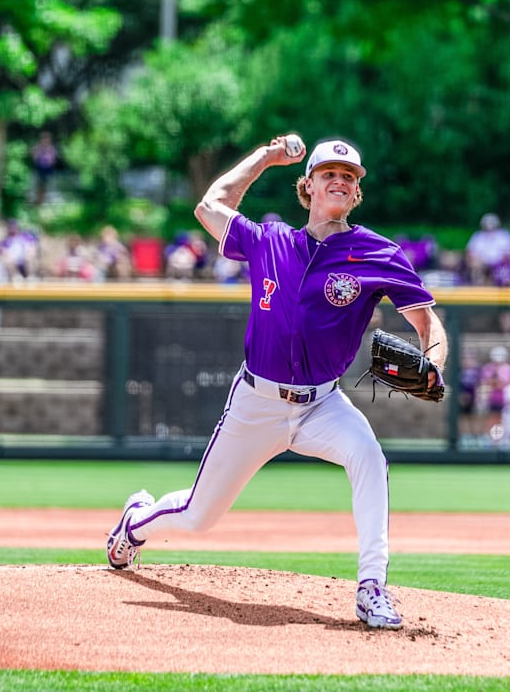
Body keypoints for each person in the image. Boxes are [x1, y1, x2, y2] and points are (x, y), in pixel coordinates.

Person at [104, 135, 447, 632]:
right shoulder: (270, 241)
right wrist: (265, 157)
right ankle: (135, 524)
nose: (340, 181)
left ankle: (372, 587)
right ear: (307, 186)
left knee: (369, 455)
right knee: (199, 516)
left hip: (322, 405)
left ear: (356, 195)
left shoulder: (378, 254)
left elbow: (427, 322)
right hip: (256, 404)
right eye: (328, 173)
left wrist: (434, 361)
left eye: (349, 177)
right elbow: (209, 205)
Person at [474, 346, 510, 445]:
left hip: (504, 399)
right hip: (491, 399)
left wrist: (497, 383)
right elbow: (485, 382)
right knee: (490, 419)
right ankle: (489, 439)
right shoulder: (487, 368)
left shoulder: (508, 368)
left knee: (503, 419)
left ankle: (502, 439)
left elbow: (508, 383)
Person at [464, 213, 510, 287]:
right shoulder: (477, 236)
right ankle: (478, 288)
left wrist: (499, 262)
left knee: (506, 269)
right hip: (481, 264)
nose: (489, 226)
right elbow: (469, 253)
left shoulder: (504, 235)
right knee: (476, 266)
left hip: (500, 264)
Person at [28, 131, 60, 206]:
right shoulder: (38, 147)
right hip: (39, 168)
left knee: (46, 185)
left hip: (48, 169)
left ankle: (43, 201)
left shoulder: (51, 148)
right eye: (43, 139)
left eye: (47, 139)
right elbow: (33, 157)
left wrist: (48, 160)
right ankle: (38, 201)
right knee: (38, 185)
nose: (45, 140)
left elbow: (53, 159)